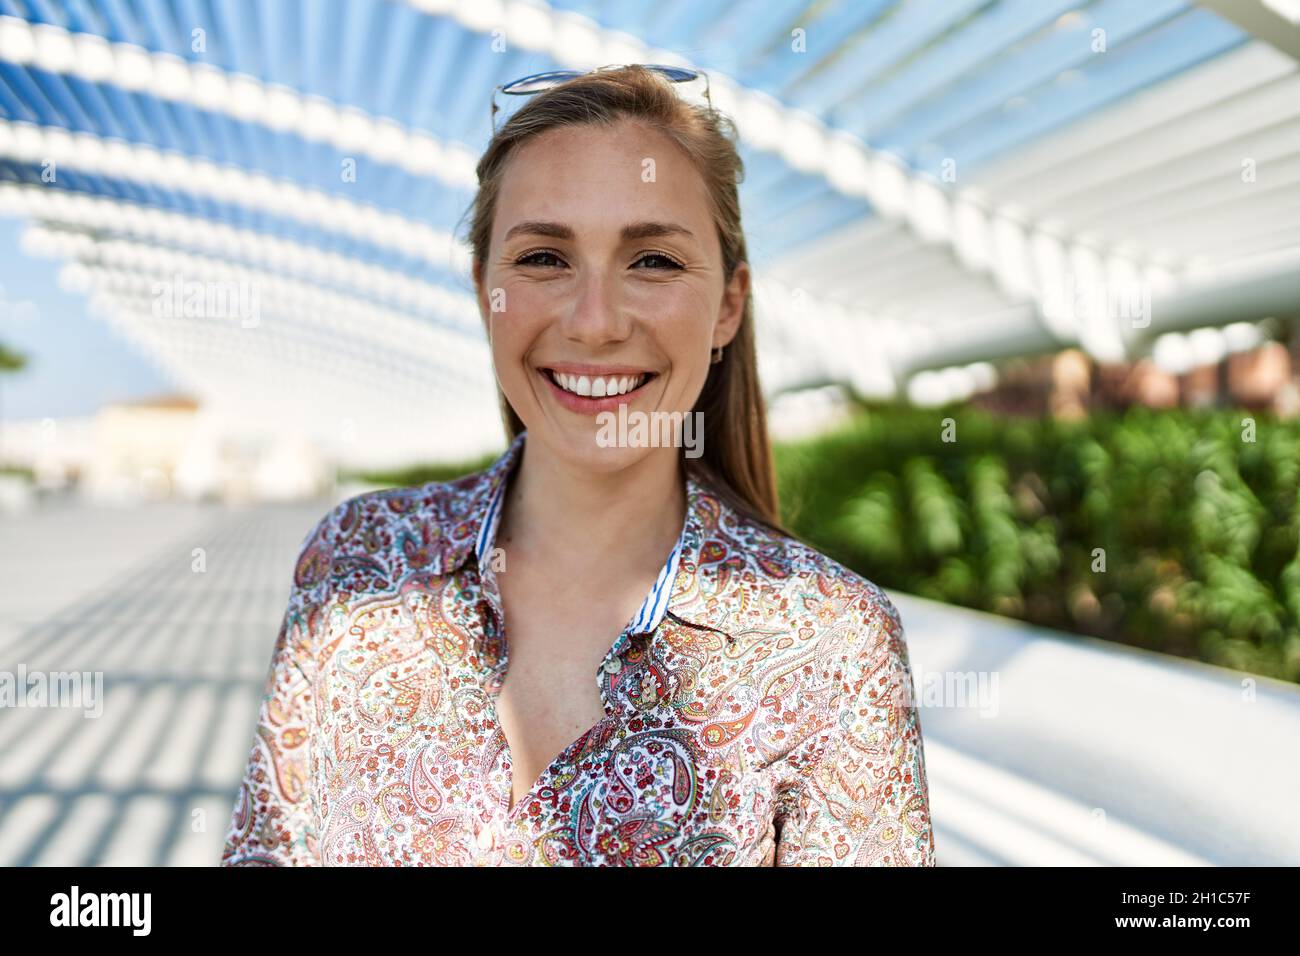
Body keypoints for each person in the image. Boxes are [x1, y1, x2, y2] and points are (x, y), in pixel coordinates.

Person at [220, 65, 934, 867]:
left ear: (728, 306)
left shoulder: (834, 645)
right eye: (544, 259)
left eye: (654, 261)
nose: (594, 324)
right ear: (482, 288)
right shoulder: (357, 566)